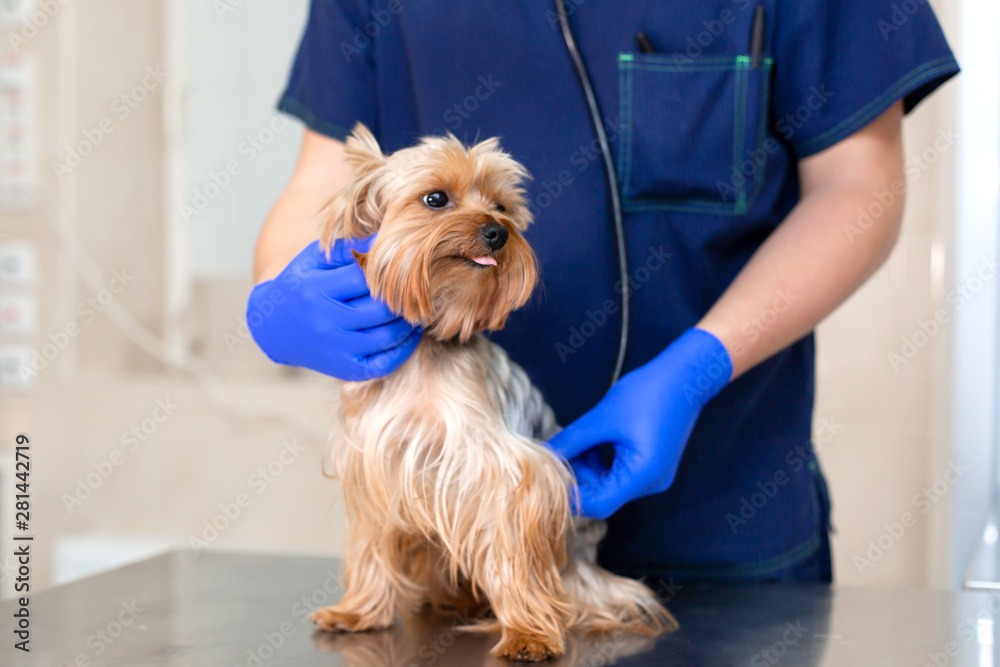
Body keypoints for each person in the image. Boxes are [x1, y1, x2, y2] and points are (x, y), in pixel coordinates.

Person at [248, 0, 958, 584]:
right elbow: (324, 179)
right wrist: (278, 296)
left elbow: (860, 189)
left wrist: (697, 367)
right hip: (462, 572)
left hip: (731, 525)